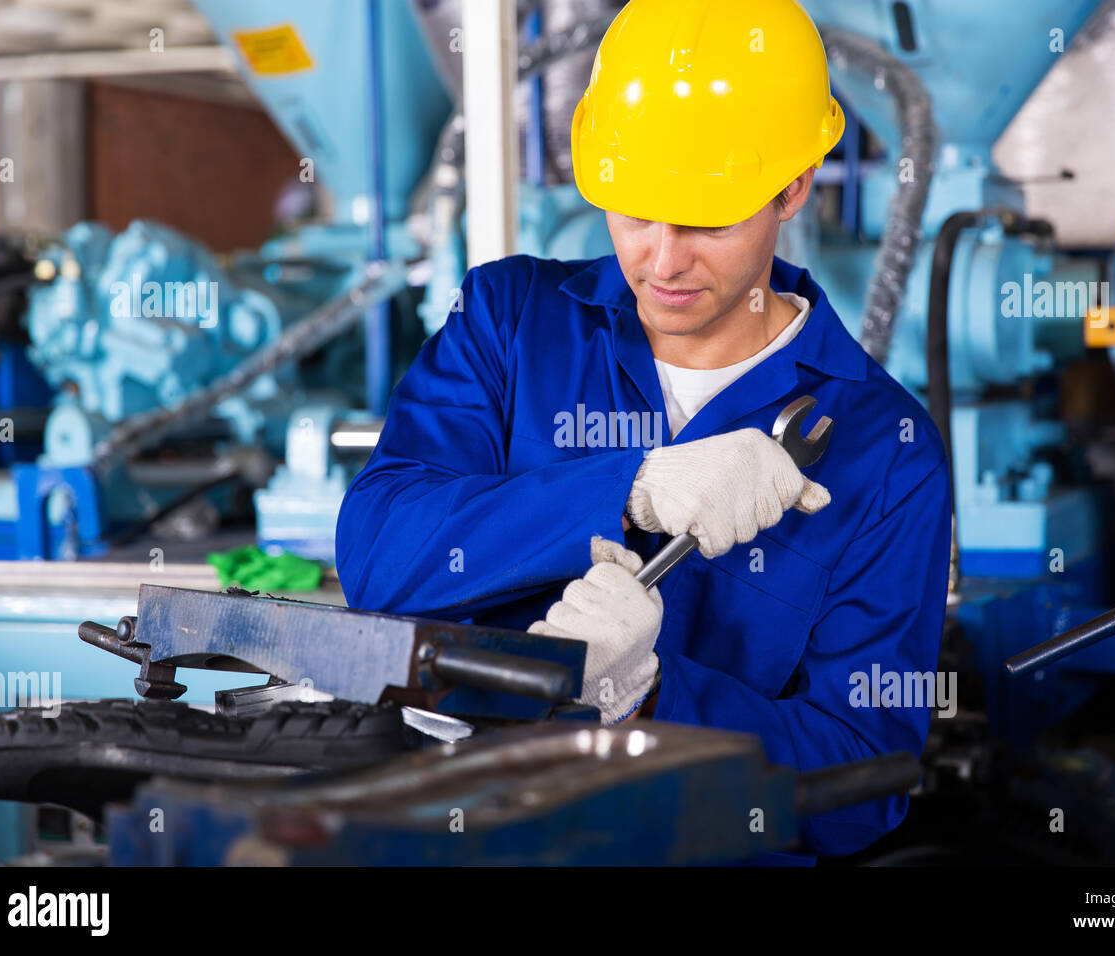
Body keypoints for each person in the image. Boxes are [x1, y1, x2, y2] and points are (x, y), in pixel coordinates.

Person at [336, 0, 951, 861]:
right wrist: (630, 487)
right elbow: (378, 561)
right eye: (634, 212)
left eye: (706, 220)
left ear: (794, 186)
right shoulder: (510, 323)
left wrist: (650, 694)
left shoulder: (886, 451)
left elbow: (863, 783)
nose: (663, 261)